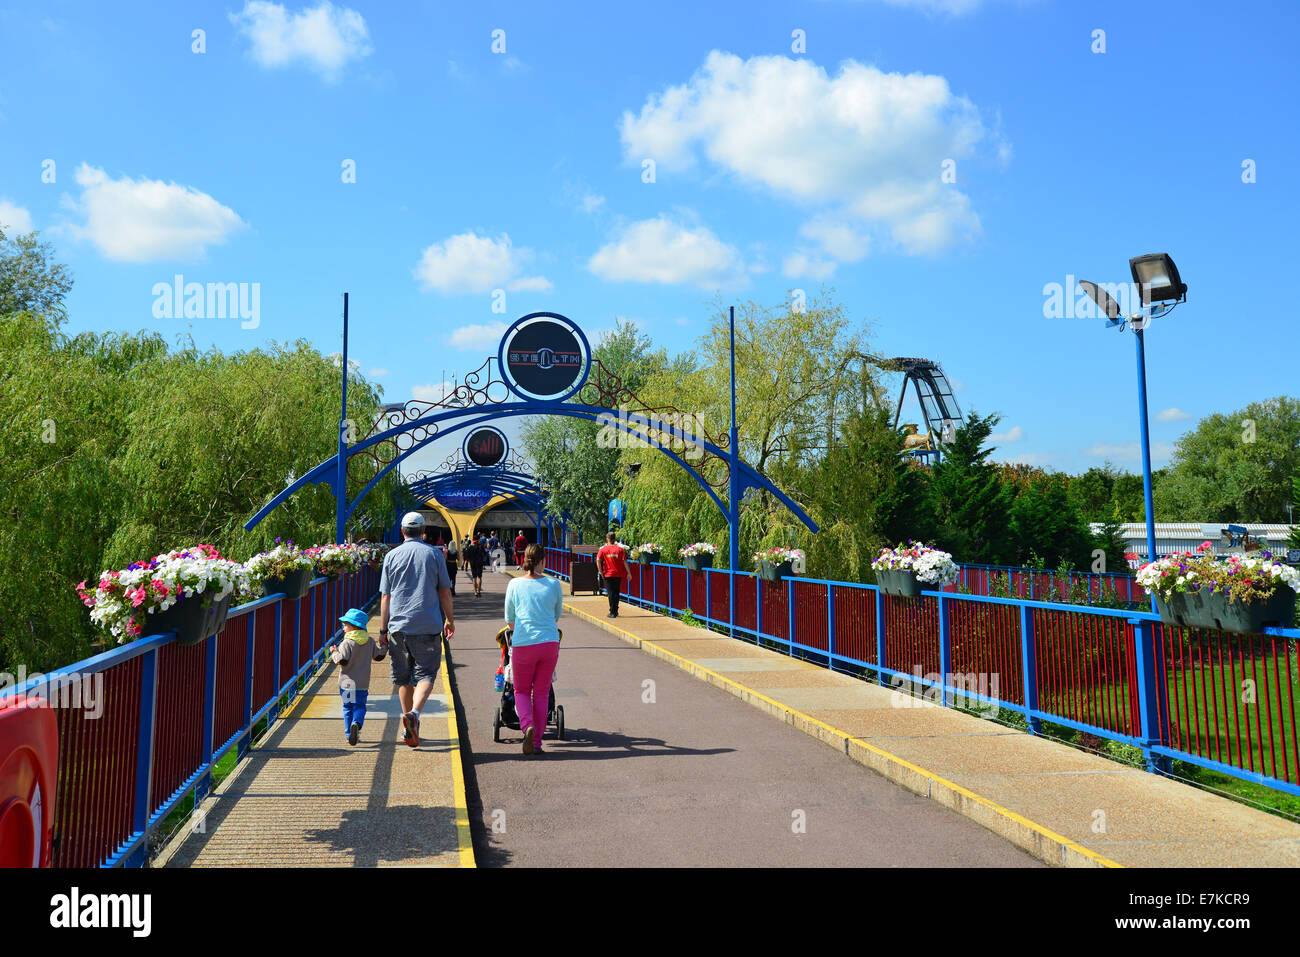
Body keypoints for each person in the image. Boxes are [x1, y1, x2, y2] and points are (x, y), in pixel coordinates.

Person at [377, 512, 454, 748]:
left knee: (403, 679)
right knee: (426, 675)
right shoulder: (434, 554)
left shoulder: (391, 556)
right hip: (427, 626)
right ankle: (415, 715)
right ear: (423, 532)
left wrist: (382, 630)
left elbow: (386, 597)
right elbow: (444, 592)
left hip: (398, 628)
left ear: (402, 532)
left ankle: (408, 726)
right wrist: (449, 619)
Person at [503, 544, 563, 756]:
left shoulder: (515, 584)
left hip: (524, 644)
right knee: (541, 693)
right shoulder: (554, 584)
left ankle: (526, 725)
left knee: (520, 690)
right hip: (549, 643)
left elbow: (509, 619)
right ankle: (536, 742)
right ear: (542, 561)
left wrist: (519, 629)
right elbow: (556, 615)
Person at [331, 608, 387, 746]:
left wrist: (334, 652)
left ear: (353, 626)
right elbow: (378, 656)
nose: (343, 628)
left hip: (347, 682)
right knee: (360, 706)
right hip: (362, 682)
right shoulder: (369, 641)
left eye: (345, 625)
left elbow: (342, 660)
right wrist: (385, 647)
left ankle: (349, 734)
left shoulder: (347, 643)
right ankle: (357, 723)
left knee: (347, 707)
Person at [596, 531, 630, 618]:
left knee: (610, 593)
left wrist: (601, 571)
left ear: (607, 539)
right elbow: (624, 562)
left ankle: (612, 611)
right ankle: (616, 610)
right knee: (616, 592)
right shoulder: (620, 550)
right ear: (615, 540)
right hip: (618, 574)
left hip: (608, 574)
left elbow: (598, 561)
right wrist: (629, 573)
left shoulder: (603, 550)